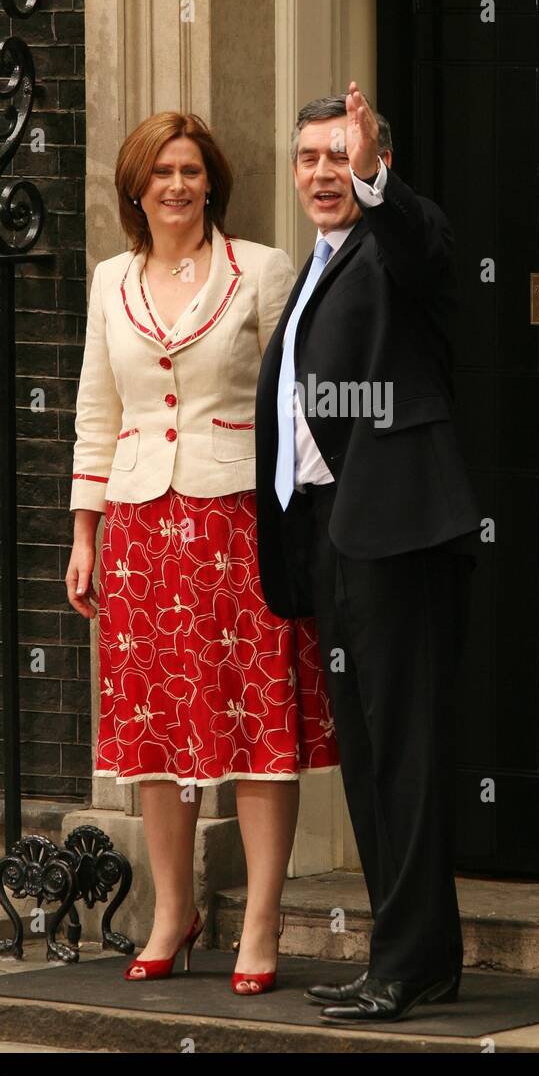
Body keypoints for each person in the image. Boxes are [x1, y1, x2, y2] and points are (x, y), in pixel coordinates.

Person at [65, 111, 339, 995]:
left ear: (211, 182)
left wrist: (307, 519)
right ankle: (172, 912)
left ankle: (261, 921)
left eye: (190, 171)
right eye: (161, 173)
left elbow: (296, 402)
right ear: (135, 189)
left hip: (240, 521)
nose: (176, 186)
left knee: (256, 721)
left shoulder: (260, 268)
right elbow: (98, 409)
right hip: (139, 528)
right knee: (158, 725)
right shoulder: (110, 280)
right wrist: (85, 531)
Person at [254, 84, 481, 1024]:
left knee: (405, 755)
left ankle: (413, 962)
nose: (324, 173)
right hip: (332, 532)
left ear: (373, 162)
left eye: (340, 156)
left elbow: (425, 246)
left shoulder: (392, 246)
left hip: (398, 531)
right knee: (367, 757)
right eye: (309, 158)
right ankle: (404, 954)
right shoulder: (318, 265)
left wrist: (377, 179)